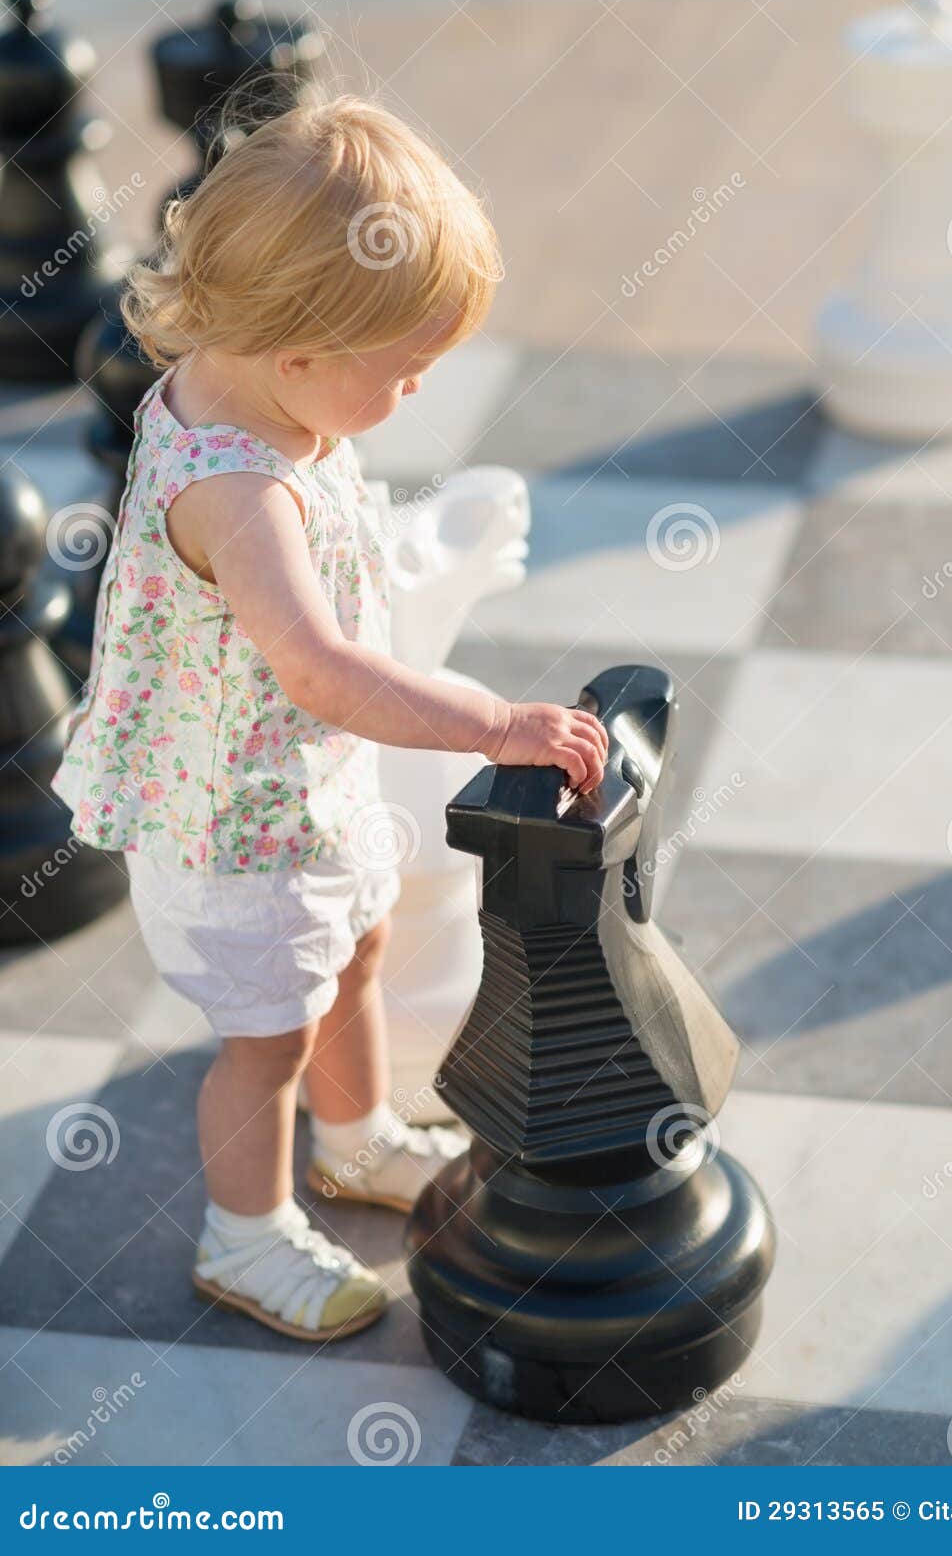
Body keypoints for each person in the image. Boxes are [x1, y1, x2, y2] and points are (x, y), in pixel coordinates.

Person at [53, 94, 608, 1343]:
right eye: (403, 369)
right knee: (266, 1045)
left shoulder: (265, 388)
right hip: (234, 829)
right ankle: (243, 1240)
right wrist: (490, 721)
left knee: (355, 955)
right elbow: (314, 665)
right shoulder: (241, 490)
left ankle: (355, 1146)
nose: (415, 391)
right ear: (297, 348)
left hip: (298, 795)